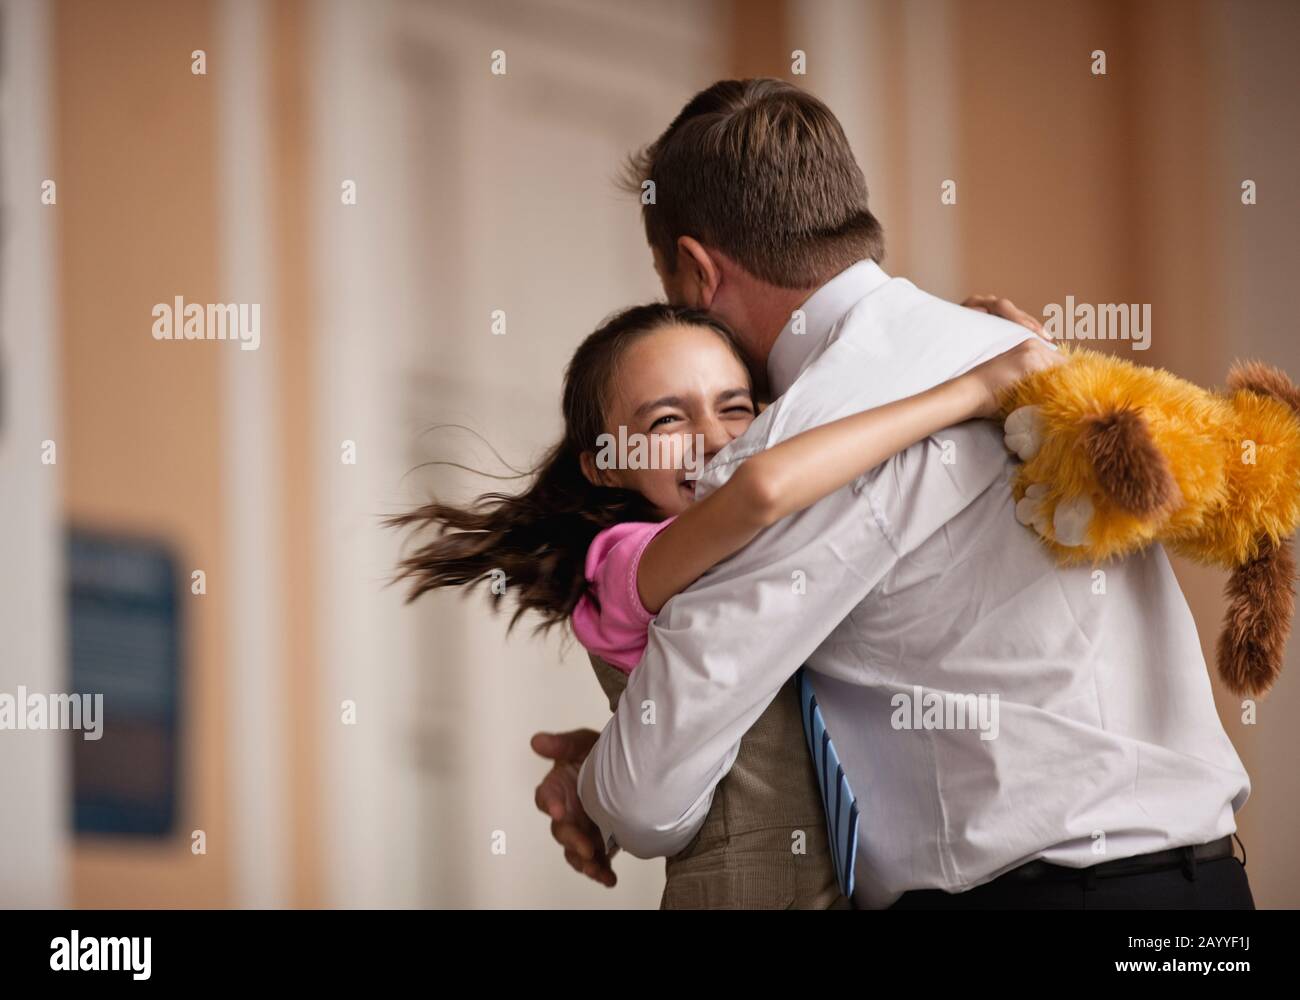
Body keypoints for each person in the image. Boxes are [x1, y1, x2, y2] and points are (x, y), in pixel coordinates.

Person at [549, 77, 1254, 909]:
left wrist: (596, 782)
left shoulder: (797, 448)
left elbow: (648, 799)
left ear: (698, 271)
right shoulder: (1028, 354)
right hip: (1208, 897)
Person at [391, 300, 1056, 907]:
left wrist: (952, 338)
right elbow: (762, 491)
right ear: (602, 464)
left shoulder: (761, 546)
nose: (714, 439)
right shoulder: (625, 558)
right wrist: (970, 386)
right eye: (668, 419)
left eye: (736, 407)